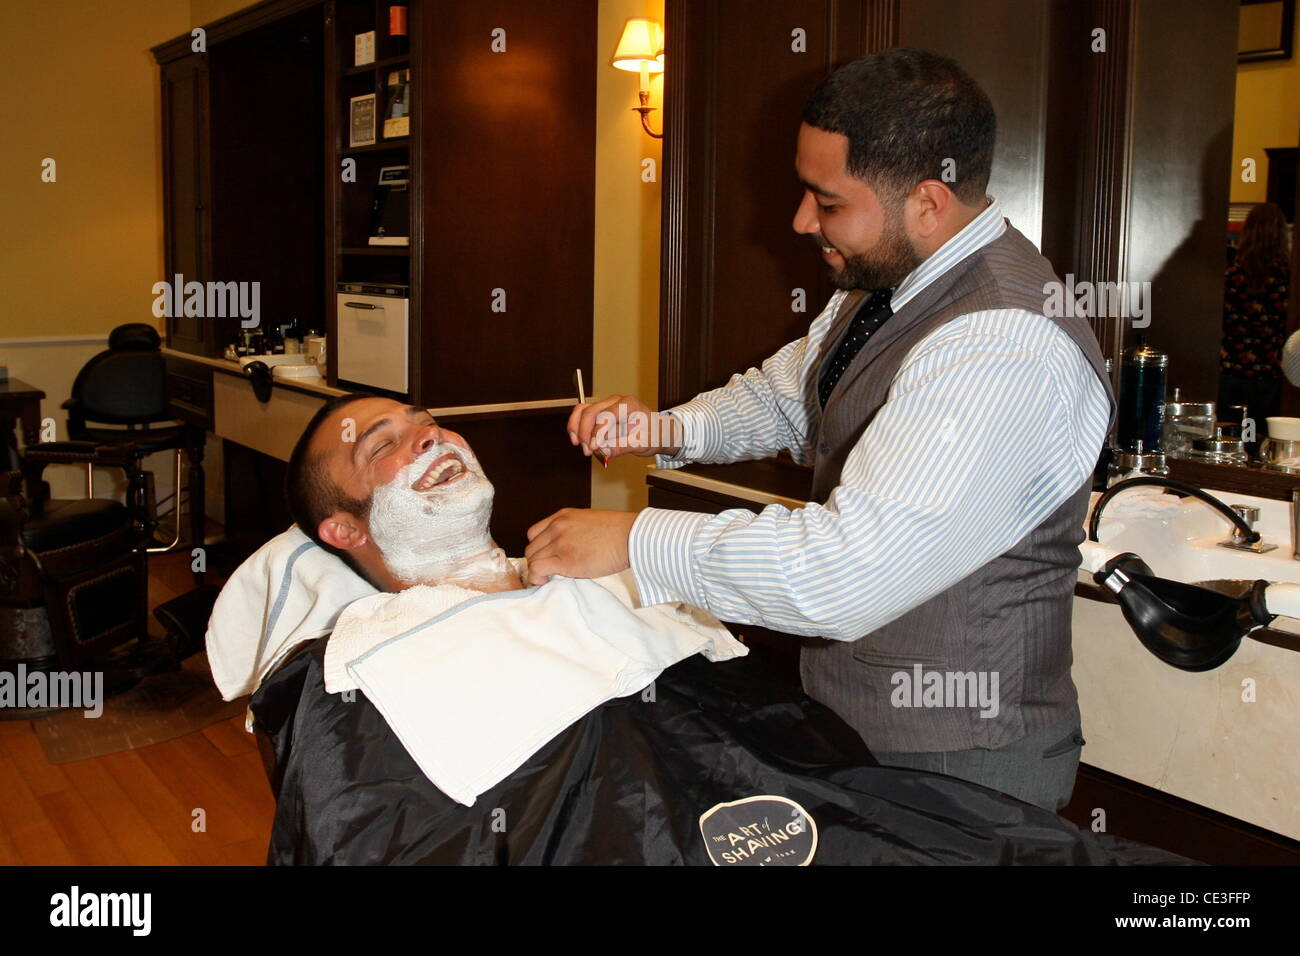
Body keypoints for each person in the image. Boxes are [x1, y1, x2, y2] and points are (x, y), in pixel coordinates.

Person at [523, 48, 1116, 812]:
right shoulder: (888, 280)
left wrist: (635, 541)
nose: (802, 220)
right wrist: (662, 428)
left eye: (826, 201)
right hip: (853, 721)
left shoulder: (1003, 343)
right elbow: (786, 396)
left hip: (961, 763)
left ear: (928, 202)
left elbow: (846, 575)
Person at [285, 393, 524, 594]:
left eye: (429, 423)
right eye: (382, 446)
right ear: (347, 531)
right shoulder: (408, 649)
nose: (432, 434)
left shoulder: (556, 580)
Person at [1221, 202, 1292, 428]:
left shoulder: (1231, 275)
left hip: (1230, 370)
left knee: (1231, 434)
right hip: (1271, 372)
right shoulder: (1288, 278)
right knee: (1265, 436)